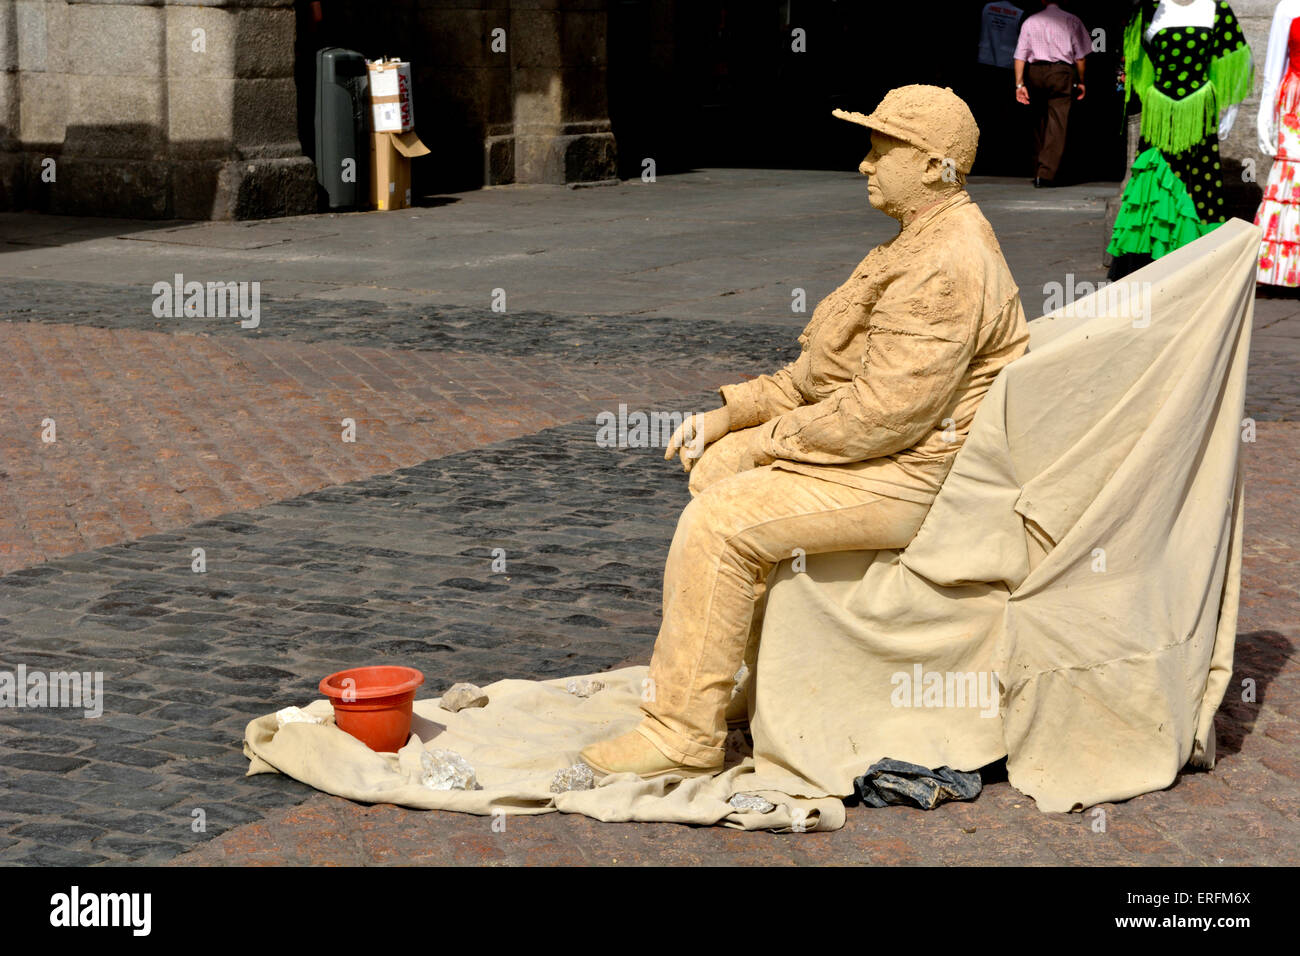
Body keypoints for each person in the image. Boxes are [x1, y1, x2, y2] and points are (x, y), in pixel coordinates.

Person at [580, 86, 1030, 780]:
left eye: (884, 149)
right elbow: (818, 378)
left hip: (913, 477)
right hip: (885, 454)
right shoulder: (913, 242)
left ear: (937, 166)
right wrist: (731, 414)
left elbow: (883, 415)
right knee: (715, 473)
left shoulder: (945, 262)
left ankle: (681, 734)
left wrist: (763, 442)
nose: (865, 165)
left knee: (721, 522)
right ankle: (742, 682)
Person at [1106, 0, 1253, 281]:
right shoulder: (1149, 10)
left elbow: (1235, 58)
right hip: (1159, 115)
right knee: (1155, 184)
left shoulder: (1217, 9)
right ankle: (1146, 262)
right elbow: (1133, 56)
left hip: (1199, 114)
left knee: (1199, 186)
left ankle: (1199, 265)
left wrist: (1231, 110)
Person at [1013, 1, 1093, 187]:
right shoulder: (1072, 20)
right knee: (1057, 122)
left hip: (1034, 72)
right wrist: (1081, 81)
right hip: (1061, 72)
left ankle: (1036, 167)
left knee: (1038, 121)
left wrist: (1019, 84)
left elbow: (1020, 55)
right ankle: (1045, 172)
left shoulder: (1030, 21)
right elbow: (1080, 57)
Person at [1254, 0, 1300, 287]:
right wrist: (1264, 115)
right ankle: (1283, 269)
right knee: (1292, 180)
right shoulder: (1289, 6)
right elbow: (1274, 65)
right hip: (1296, 102)